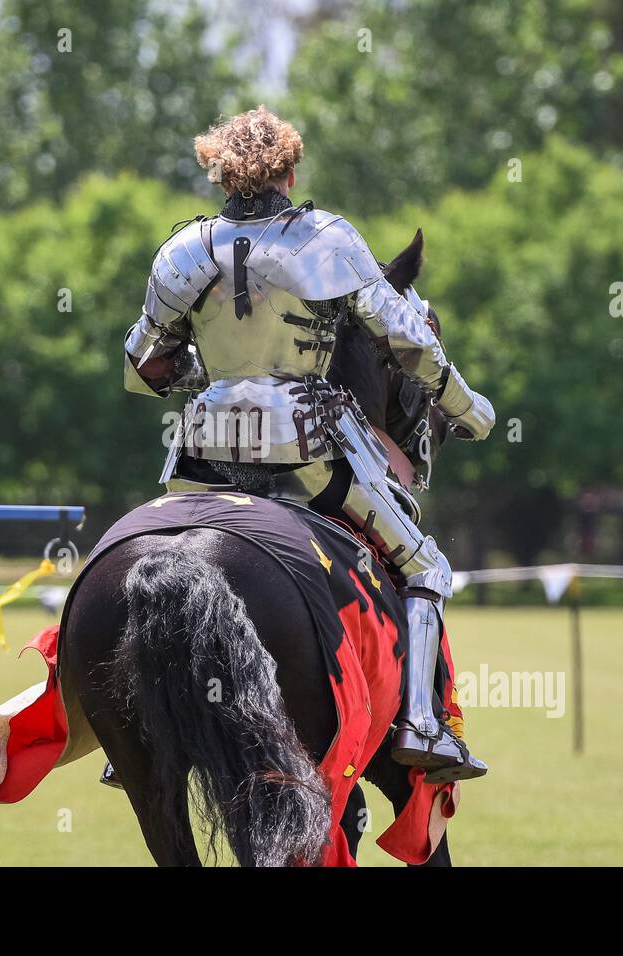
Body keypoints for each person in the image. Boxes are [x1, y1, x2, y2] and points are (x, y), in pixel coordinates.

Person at [121, 107, 494, 783]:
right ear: (291, 171)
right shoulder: (324, 238)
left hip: (202, 458)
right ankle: (419, 725)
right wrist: (469, 407)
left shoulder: (181, 250)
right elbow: (406, 336)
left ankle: (143, 723)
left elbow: (141, 367)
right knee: (423, 565)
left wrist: (208, 372)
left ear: (220, 172)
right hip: (305, 452)